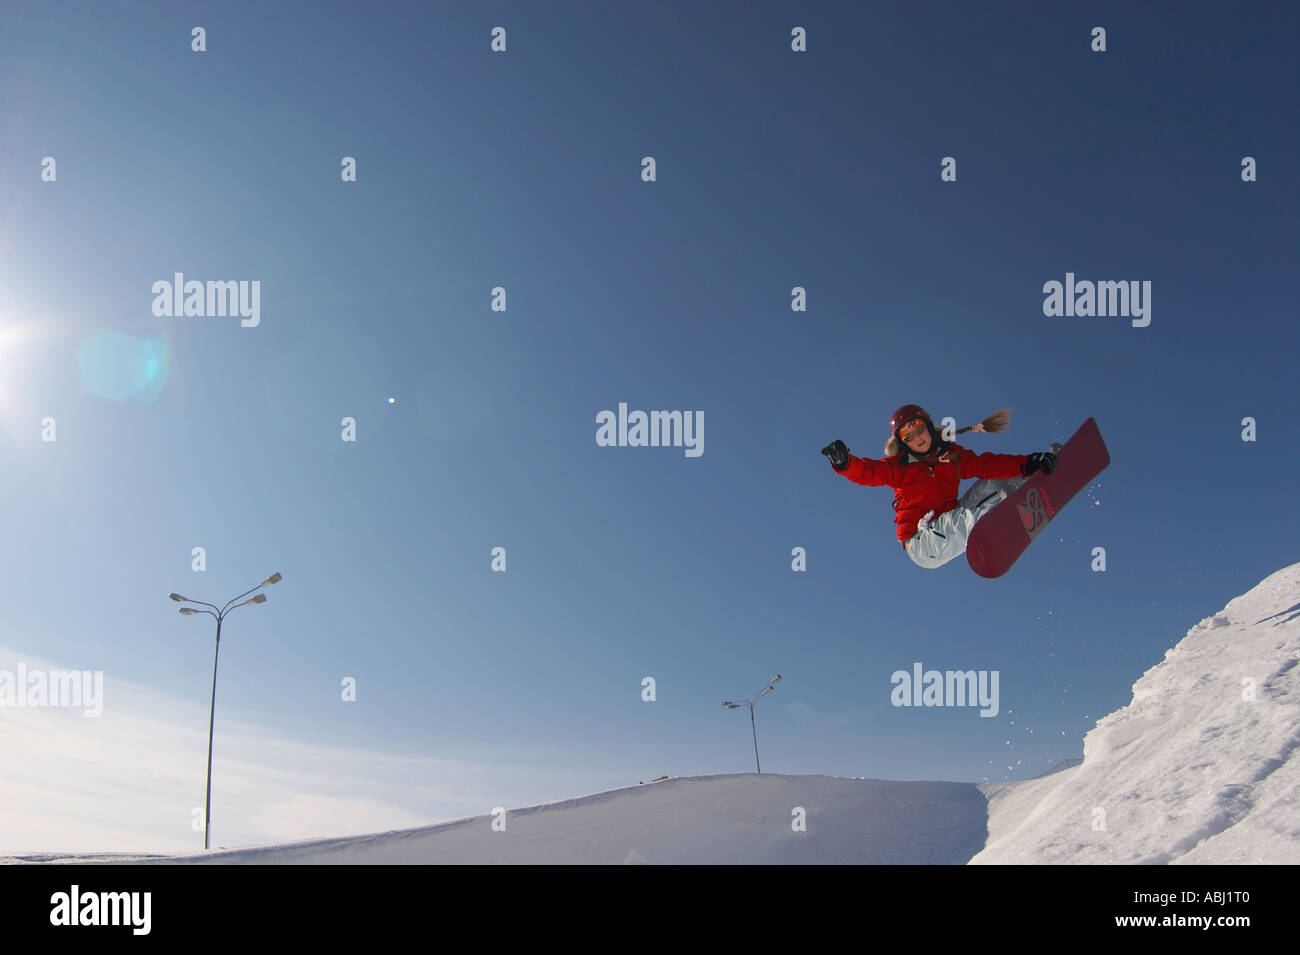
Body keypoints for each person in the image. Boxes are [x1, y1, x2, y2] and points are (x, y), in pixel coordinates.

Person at [821, 405, 1058, 569]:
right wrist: (845, 463)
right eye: (908, 434)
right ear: (902, 443)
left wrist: (1028, 463)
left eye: (918, 428)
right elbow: (868, 472)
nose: (916, 437)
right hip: (922, 542)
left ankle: (1035, 477)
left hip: (951, 521)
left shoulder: (951, 456)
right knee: (961, 520)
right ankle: (999, 523)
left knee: (992, 480)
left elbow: (987, 464)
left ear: (928, 427)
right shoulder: (899, 467)